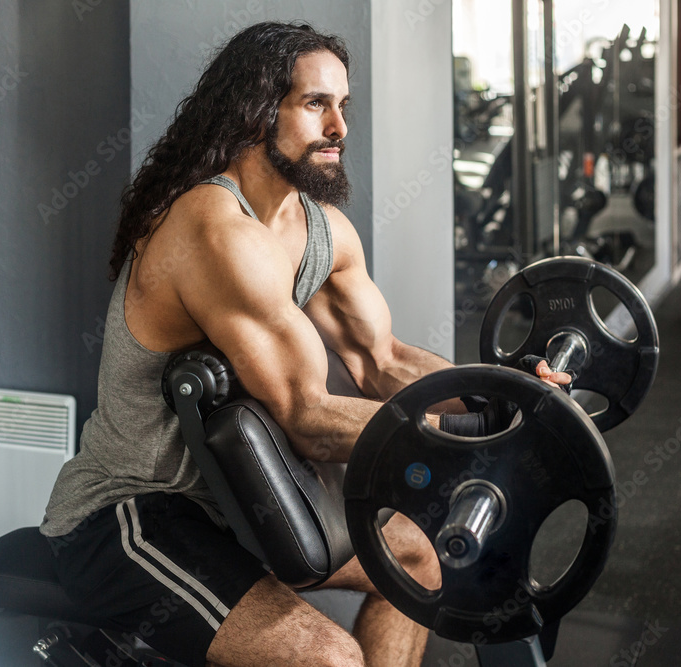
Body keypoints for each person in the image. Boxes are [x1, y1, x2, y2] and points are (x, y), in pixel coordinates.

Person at [40, 21, 570, 667]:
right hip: (133, 514)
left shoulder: (321, 230)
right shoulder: (213, 228)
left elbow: (384, 361)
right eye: (315, 103)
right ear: (256, 111)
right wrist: (464, 433)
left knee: (423, 557)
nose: (339, 127)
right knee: (330, 657)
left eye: (342, 105)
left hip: (236, 502)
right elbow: (308, 419)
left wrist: (503, 394)